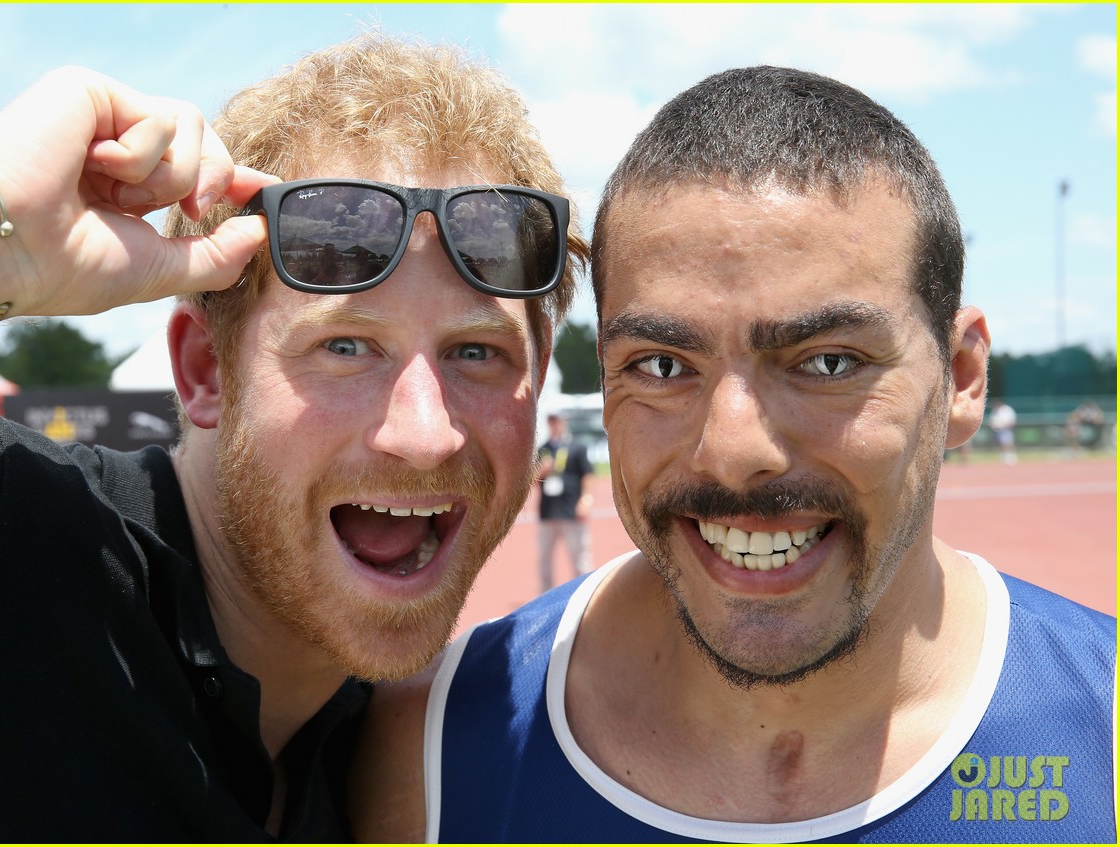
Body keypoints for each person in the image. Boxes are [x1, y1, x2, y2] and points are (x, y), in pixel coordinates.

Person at [350, 66, 1116, 842]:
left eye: (828, 362)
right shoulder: (429, 747)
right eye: (661, 365)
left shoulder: (1102, 725)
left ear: (961, 378)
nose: (734, 452)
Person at [0, 33, 589, 841]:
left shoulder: (410, 759)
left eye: (477, 352)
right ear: (204, 370)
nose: (424, 433)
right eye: (346, 346)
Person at [535, 411, 595, 591]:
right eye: (550, 421)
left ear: (564, 422)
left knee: (580, 557)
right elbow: (532, 481)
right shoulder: (543, 449)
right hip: (548, 511)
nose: (554, 424)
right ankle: (544, 595)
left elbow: (588, 475)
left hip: (571, 510)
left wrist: (585, 500)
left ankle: (584, 593)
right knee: (544, 558)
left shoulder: (577, 447)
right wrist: (541, 471)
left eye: (557, 420)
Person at [988, 398, 1019, 464]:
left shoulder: (1007, 409)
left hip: (1006, 428)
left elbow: (1011, 419)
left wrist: (1009, 425)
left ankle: (1011, 456)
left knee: (1008, 443)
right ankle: (1004, 456)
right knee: (1001, 443)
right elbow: (992, 421)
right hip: (998, 430)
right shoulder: (994, 411)